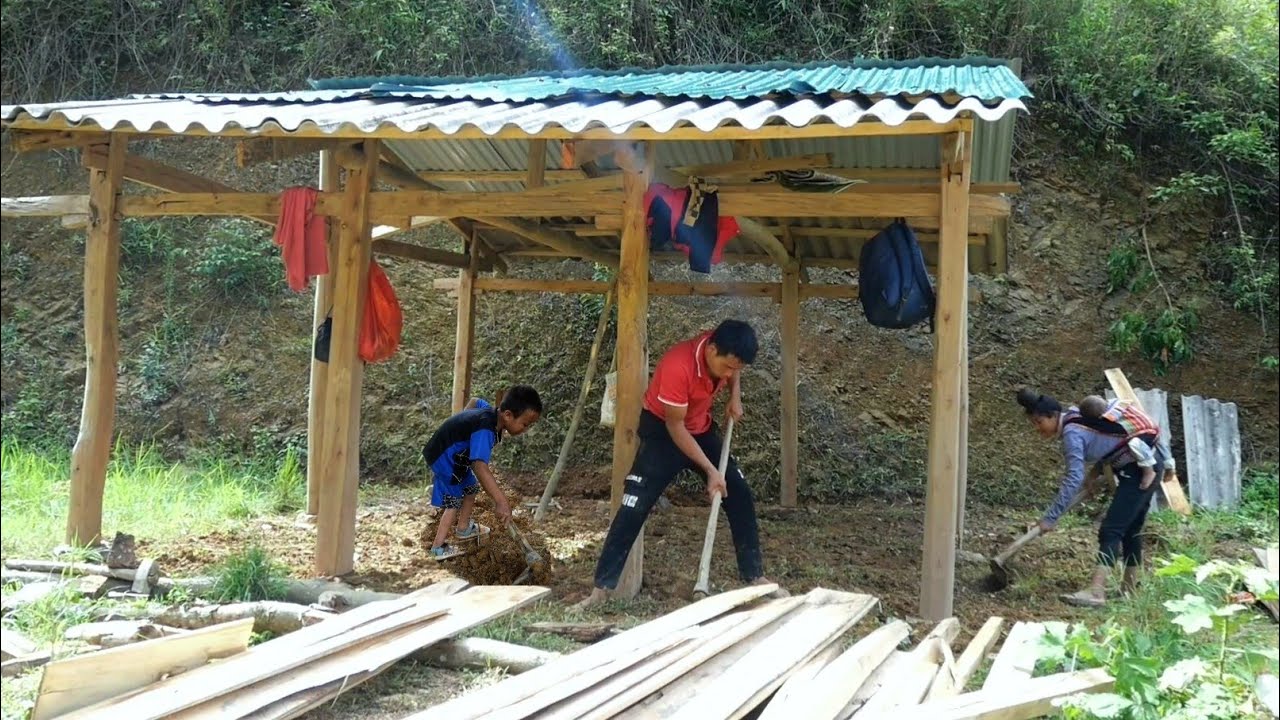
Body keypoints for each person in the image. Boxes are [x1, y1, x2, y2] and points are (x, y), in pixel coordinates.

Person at [576, 320, 785, 607]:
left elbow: (734, 370)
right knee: (633, 505)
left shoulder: (725, 355)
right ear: (711, 350)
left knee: (739, 493)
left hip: (699, 427)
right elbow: (676, 428)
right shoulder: (678, 366)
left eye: (737, 369)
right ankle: (600, 589)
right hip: (665, 432)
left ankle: (754, 576)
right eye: (728, 367)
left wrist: (734, 395)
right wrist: (711, 471)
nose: (731, 373)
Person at [1017, 388, 1173, 607]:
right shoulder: (1076, 417)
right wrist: (1096, 472)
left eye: (1038, 422)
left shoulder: (1072, 432)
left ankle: (1096, 592)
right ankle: (1129, 590)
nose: (1037, 428)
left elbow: (1073, 478)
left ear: (1053, 416)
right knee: (1130, 529)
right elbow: (1113, 439)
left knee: (1111, 529)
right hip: (1148, 463)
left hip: (1138, 471)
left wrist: (1050, 517)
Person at [423, 385, 543, 561]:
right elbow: (480, 467)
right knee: (453, 501)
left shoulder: (490, 412)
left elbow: (474, 401)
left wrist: (463, 426)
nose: (525, 429)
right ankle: (437, 548)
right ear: (508, 415)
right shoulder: (485, 430)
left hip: (455, 457)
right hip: (444, 458)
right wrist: (501, 502)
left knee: (471, 487)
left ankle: (463, 529)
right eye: (525, 424)